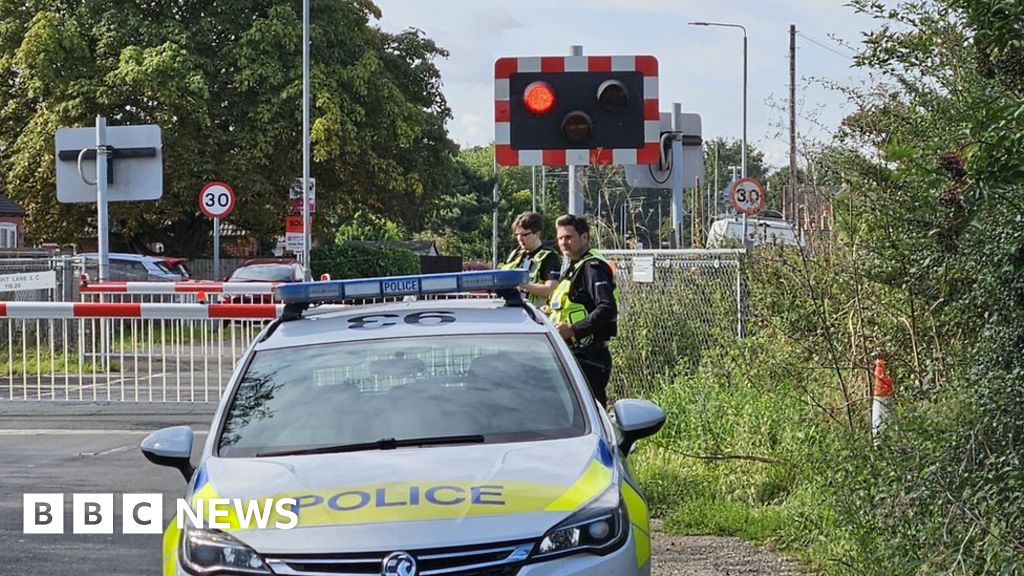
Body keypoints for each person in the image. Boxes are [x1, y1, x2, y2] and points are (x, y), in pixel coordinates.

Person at [547, 214, 619, 408]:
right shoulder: (575, 265)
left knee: (591, 412)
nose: (563, 242)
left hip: (589, 357)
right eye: (560, 238)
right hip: (574, 353)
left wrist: (573, 329)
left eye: (569, 237)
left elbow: (607, 308)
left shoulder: (592, 266)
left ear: (585, 237)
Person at [499, 211, 561, 308]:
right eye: (517, 235)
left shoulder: (549, 256)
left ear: (537, 234)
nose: (520, 239)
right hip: (513, 310)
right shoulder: (516, 255)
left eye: (525, 235)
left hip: (537, 314)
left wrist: (521, 283)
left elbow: (550, 290)